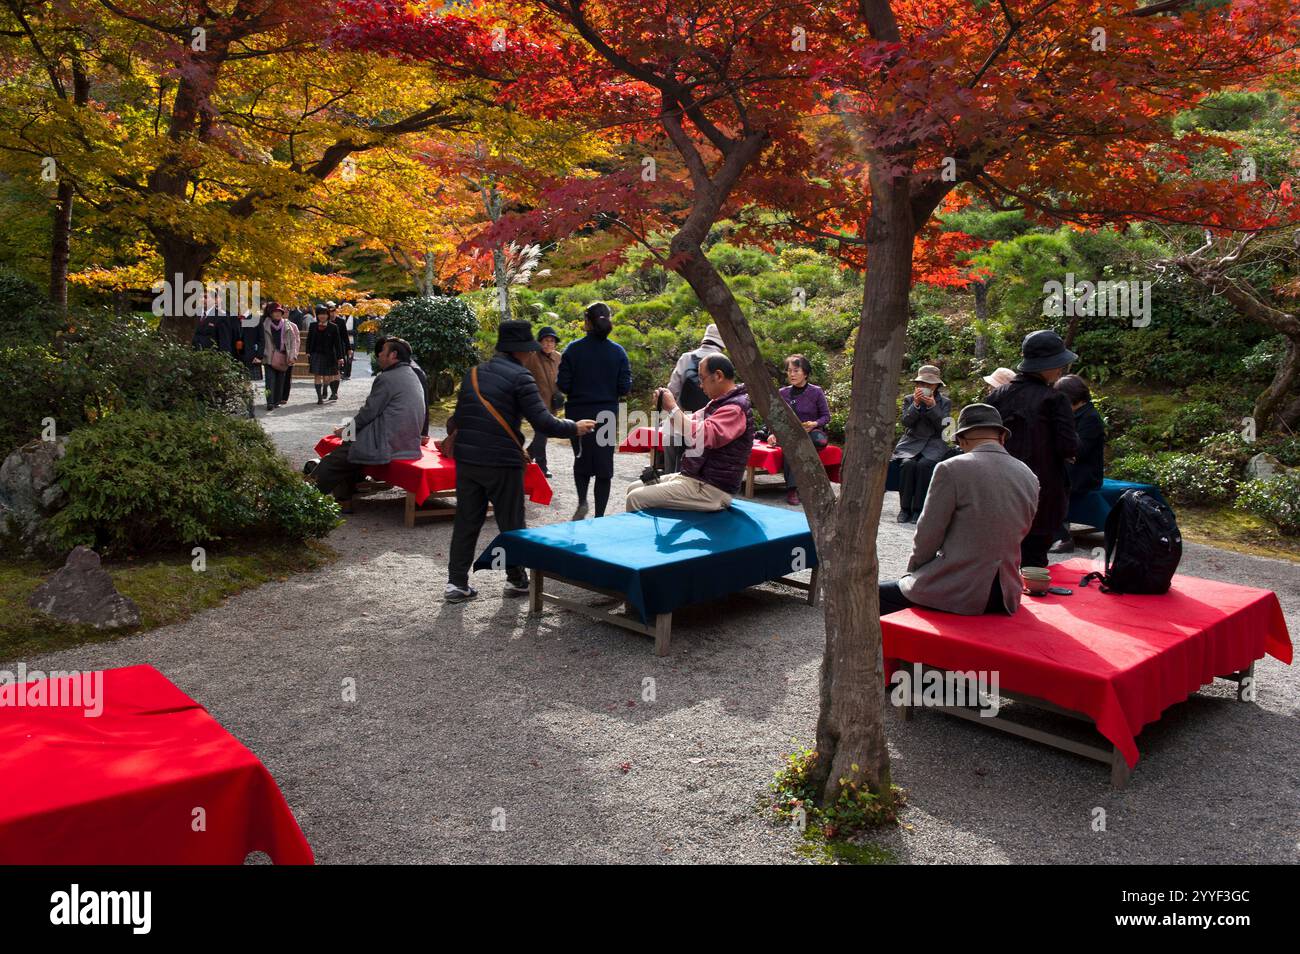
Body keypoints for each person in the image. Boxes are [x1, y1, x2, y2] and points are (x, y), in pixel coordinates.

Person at [445, 321, 596, 603]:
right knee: (511, 522)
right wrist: (573, 427)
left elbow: (457, 419)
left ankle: (456, 583)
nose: (530, 355)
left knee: (466, 520)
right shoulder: (520, 377)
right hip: (502, 460)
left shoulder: (473, 374)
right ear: (521, 351)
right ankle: (516, 580)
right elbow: (543, 421)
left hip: (467, 459)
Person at [878, 404, 1040, 617]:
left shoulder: (952, 468)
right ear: (1001, 437)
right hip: (1006, 594)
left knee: (875, 594)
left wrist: (916, 570)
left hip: (959, 591)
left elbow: (929, 533)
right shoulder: (1028, 475)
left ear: (962, 440)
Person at [987, 329, 1079, 568]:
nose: (1061, 369)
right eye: (1058, 364)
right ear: (1045, 365)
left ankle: (1000, 601)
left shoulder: (996, 397)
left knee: (999, 560)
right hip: (1042, 491)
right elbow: (1067, 446)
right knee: (1034, 562)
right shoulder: (1055, 400)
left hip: (1000, 489)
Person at [626, 354, 755, 513]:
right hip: (696, 480)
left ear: (719, 376)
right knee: (634, 487)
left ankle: (643, 538)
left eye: (702, 378)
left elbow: (702, 436)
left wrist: (673, 408)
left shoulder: (735, 409)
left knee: (636, 497)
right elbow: (689, 421)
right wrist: (667, 408)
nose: (700, 385)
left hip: (712, 489)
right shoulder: (719, 403)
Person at [311, 337, 425, 511]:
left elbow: (368, 413)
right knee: (347, 449)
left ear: (393, 355)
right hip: (407, 442)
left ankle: (302, 498)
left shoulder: (387, 378)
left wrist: (346, 431)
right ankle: (344, 500)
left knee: (333, 462)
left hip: (387, 443)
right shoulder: (412, 374)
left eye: (382, 351)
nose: (378, 354)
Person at [557, 302, 632, 518]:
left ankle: (582, 502)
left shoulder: (573, 349)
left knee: (581, 459)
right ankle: (599, 515)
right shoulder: (618, 352)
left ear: (587, 321)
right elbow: (624, 387)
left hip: (578, 413)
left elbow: (563, 384)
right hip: (606, 413)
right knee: (604, 465)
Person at [754, 354, 831, 506]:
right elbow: (775, 418)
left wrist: (814, 423)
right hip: (789, 435)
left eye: (796, 371)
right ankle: (793, 489)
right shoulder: (783, 393)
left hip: (811, 434)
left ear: (806, 373)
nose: (792, 374)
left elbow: (826, 417)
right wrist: (774, 433)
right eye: (789, 371)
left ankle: (796, 488)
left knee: (799, 444)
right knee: (793, 446)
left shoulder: (816, 392)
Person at [1051, 374, 1106, 554]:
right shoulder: (1077, 415)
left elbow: (1078, 451)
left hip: (1085, 473)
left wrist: (1064, 424)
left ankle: (1063, 537)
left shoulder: (1090, 417)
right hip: (1071, 467)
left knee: (1051, 482)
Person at [661, 324, 727, 473]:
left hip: (680, 420)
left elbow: (672, 390)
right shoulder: (723, 363)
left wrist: (667, 416)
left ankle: (669, 484)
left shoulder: (686, 358)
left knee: (671, 469)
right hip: (708, 425)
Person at [891, 365, 952, 523]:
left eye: (929, 384)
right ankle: (905, 508)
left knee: (925, 465)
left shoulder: (944, 402)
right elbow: (906, 422)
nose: (925, 387)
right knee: (907, 464)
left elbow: (946, 428)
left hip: (934, 443)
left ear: (937, 385)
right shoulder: (909, 399)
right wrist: (916, 405)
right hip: (912, 442)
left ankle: (919, 509)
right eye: (922, 384)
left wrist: (933, 407)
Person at [518, 325, 563, 477]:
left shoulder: (558, 357)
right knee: (542, 433)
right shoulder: (531, 357)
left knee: (544, 433)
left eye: (551, 341)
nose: (548, 344)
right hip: (535, 403)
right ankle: (542, 466)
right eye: (545, 340)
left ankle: (524, 457)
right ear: (539, 342)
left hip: (552, 403)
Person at [374, 335, 431, 444]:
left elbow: (423, 404)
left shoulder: (412, 372)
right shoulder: (400, 368)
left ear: (393, 354)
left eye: (382, 352)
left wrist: (423, 433)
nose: (379, 357)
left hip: (400, 434)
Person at [259, 302, 299, 411]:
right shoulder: (264, 324)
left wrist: (293, 356)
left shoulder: (287, 325)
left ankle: (277, 401)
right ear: (270, 313)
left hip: (283, 356)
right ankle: (270, 402)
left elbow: (293, 342)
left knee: (280, 380)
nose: (277, 314)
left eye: (279, 312)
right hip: (269, 356)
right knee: (269, 381)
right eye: (274, 312)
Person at [306, 304, 346, 404]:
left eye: (324, 314)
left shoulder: (333, 327)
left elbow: (337, 343)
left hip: (329, 355)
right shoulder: (313, 326)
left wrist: (340, 357)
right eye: (320, 314)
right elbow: (309, 340)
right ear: (317, 315)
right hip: (316, 354)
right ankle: (319, 398)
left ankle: (326, 388)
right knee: (317, 375)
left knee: (327, 377)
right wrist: (308, 352)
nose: (322, 316)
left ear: (328, 315)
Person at [329, 301, 355, 385]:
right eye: (330, 312)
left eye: (333, 312)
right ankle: (327, 385)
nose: (332, 314)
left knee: (337, 368)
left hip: (338, 347)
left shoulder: (340, 321)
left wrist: (349, 348)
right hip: (327, 347)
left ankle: (334, 390)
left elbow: (345, 336)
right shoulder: (324, 320)